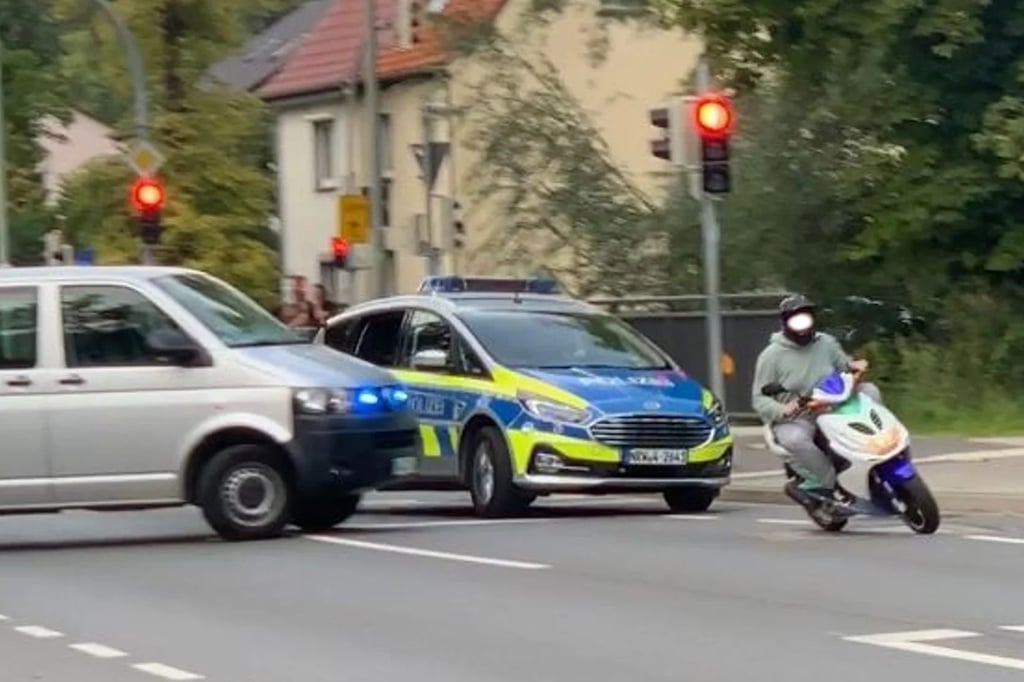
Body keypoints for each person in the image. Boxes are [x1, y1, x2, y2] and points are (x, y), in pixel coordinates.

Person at [751, 294, 881, 505]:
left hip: (832, 403)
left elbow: (844, 366)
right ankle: (825, 483)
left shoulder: (826, 343)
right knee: (795, 439)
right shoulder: (771, 355)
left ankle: (877, 448)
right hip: (798, 415)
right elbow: (759, 399)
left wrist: (855, 367)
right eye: (795, 320)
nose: (802, 326)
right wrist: (783, 408)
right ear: (785, 323)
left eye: (806, 318)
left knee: (870, 391)